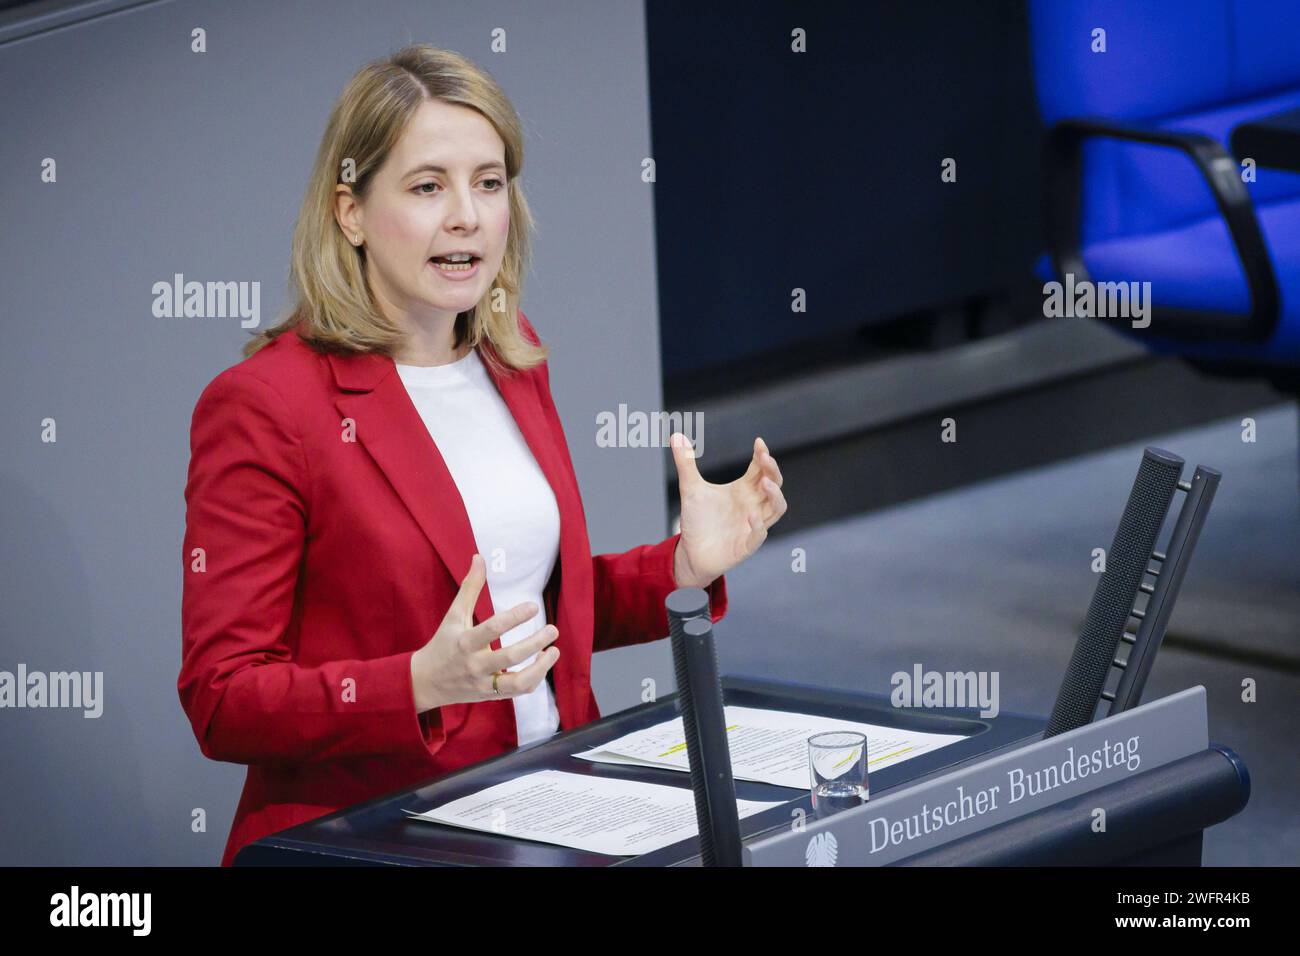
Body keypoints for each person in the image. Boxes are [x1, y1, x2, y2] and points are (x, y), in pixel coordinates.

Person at [178, 44, 787, 867]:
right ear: (349, 211)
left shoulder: (512, 356)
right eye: (428, 186)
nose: (466, 215)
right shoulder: (267, 404)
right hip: (372, 841)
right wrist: (418, 683)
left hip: (550, 810)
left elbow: (530, 617)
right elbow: (222, 697)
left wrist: (681, 565)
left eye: (488, 182)